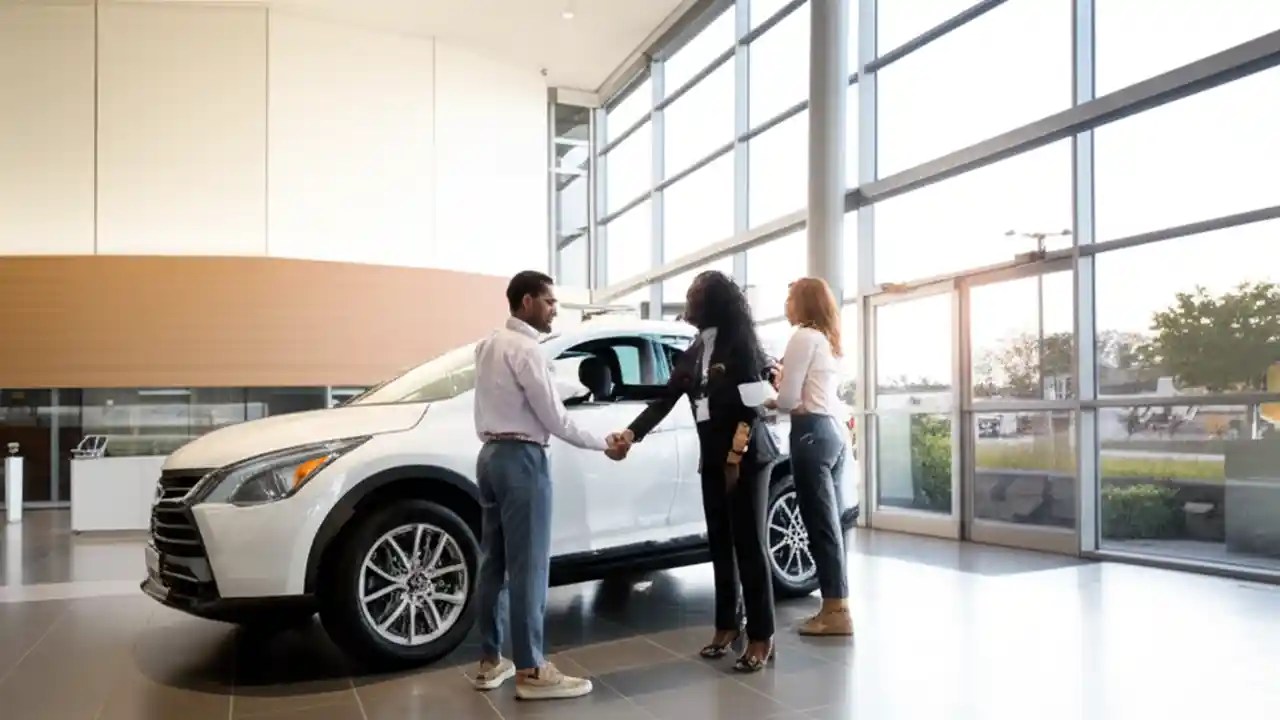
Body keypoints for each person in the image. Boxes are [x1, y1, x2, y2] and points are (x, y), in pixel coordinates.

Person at [610, 270, 781, 672]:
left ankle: (762, 635)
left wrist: (734, 460)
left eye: (695, 294)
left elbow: (753, 409)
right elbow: (665, 401)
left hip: (746, 458)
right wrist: (630, 434)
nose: (688, 300)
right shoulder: (694, 350)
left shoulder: (741, 345)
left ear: (714, 302)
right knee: (720, 542)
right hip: (713, 459)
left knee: (749, 546)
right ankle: (727, 625)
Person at [470, 270, 628, 700]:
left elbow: (515, 397)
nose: (554, 308)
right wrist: (604, 443)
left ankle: (490, 661)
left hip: (489, 458)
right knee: (529, 567)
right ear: (525, 302)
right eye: (548, 301)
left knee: (494, 563)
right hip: (523, 460)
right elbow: (554, 419)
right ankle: (532, 670)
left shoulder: (488, 345)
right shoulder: (527, 349)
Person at [769, 277, 853, 636]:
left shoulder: (802, 337)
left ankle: (836, 613)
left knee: (820, 526)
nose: (786, 306)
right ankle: (837, 606)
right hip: (831, 433)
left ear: (802, 303)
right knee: (829, 525)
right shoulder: (823, 339)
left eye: (789, 299)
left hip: (809, 435)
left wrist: (768, 397)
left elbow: (788, 402)